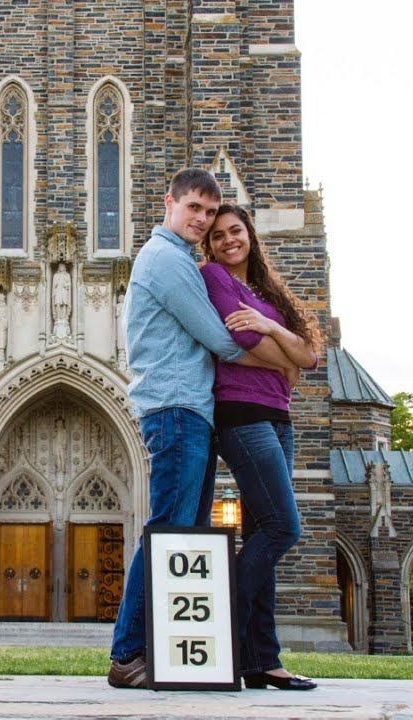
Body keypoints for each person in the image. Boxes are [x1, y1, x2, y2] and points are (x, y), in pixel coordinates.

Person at [107, 169, 296, 689]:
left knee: (181, 534)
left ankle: (163, 650)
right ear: (170, 203)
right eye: (194, 208)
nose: (202, 220)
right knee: (167, 531)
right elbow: (222, 340)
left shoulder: (183, 259)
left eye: (210, 213)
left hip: (192, 410)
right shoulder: (167, 260)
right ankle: (127, 655)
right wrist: (289, 358)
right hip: (174, 408)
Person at [199, 203, 323, 691]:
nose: (228, 240)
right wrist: (281, 357)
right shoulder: (214, 278)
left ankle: (262, 661)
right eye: (217, 235)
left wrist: (274, 329)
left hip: (279, 418)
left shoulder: (267, 290)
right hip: (241, 413)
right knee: (281, 527)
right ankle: (220, 610)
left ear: (249, 233)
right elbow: (241, 338)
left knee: (261, 536)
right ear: (208, 245)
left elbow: (309, 357)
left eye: (235, 231)